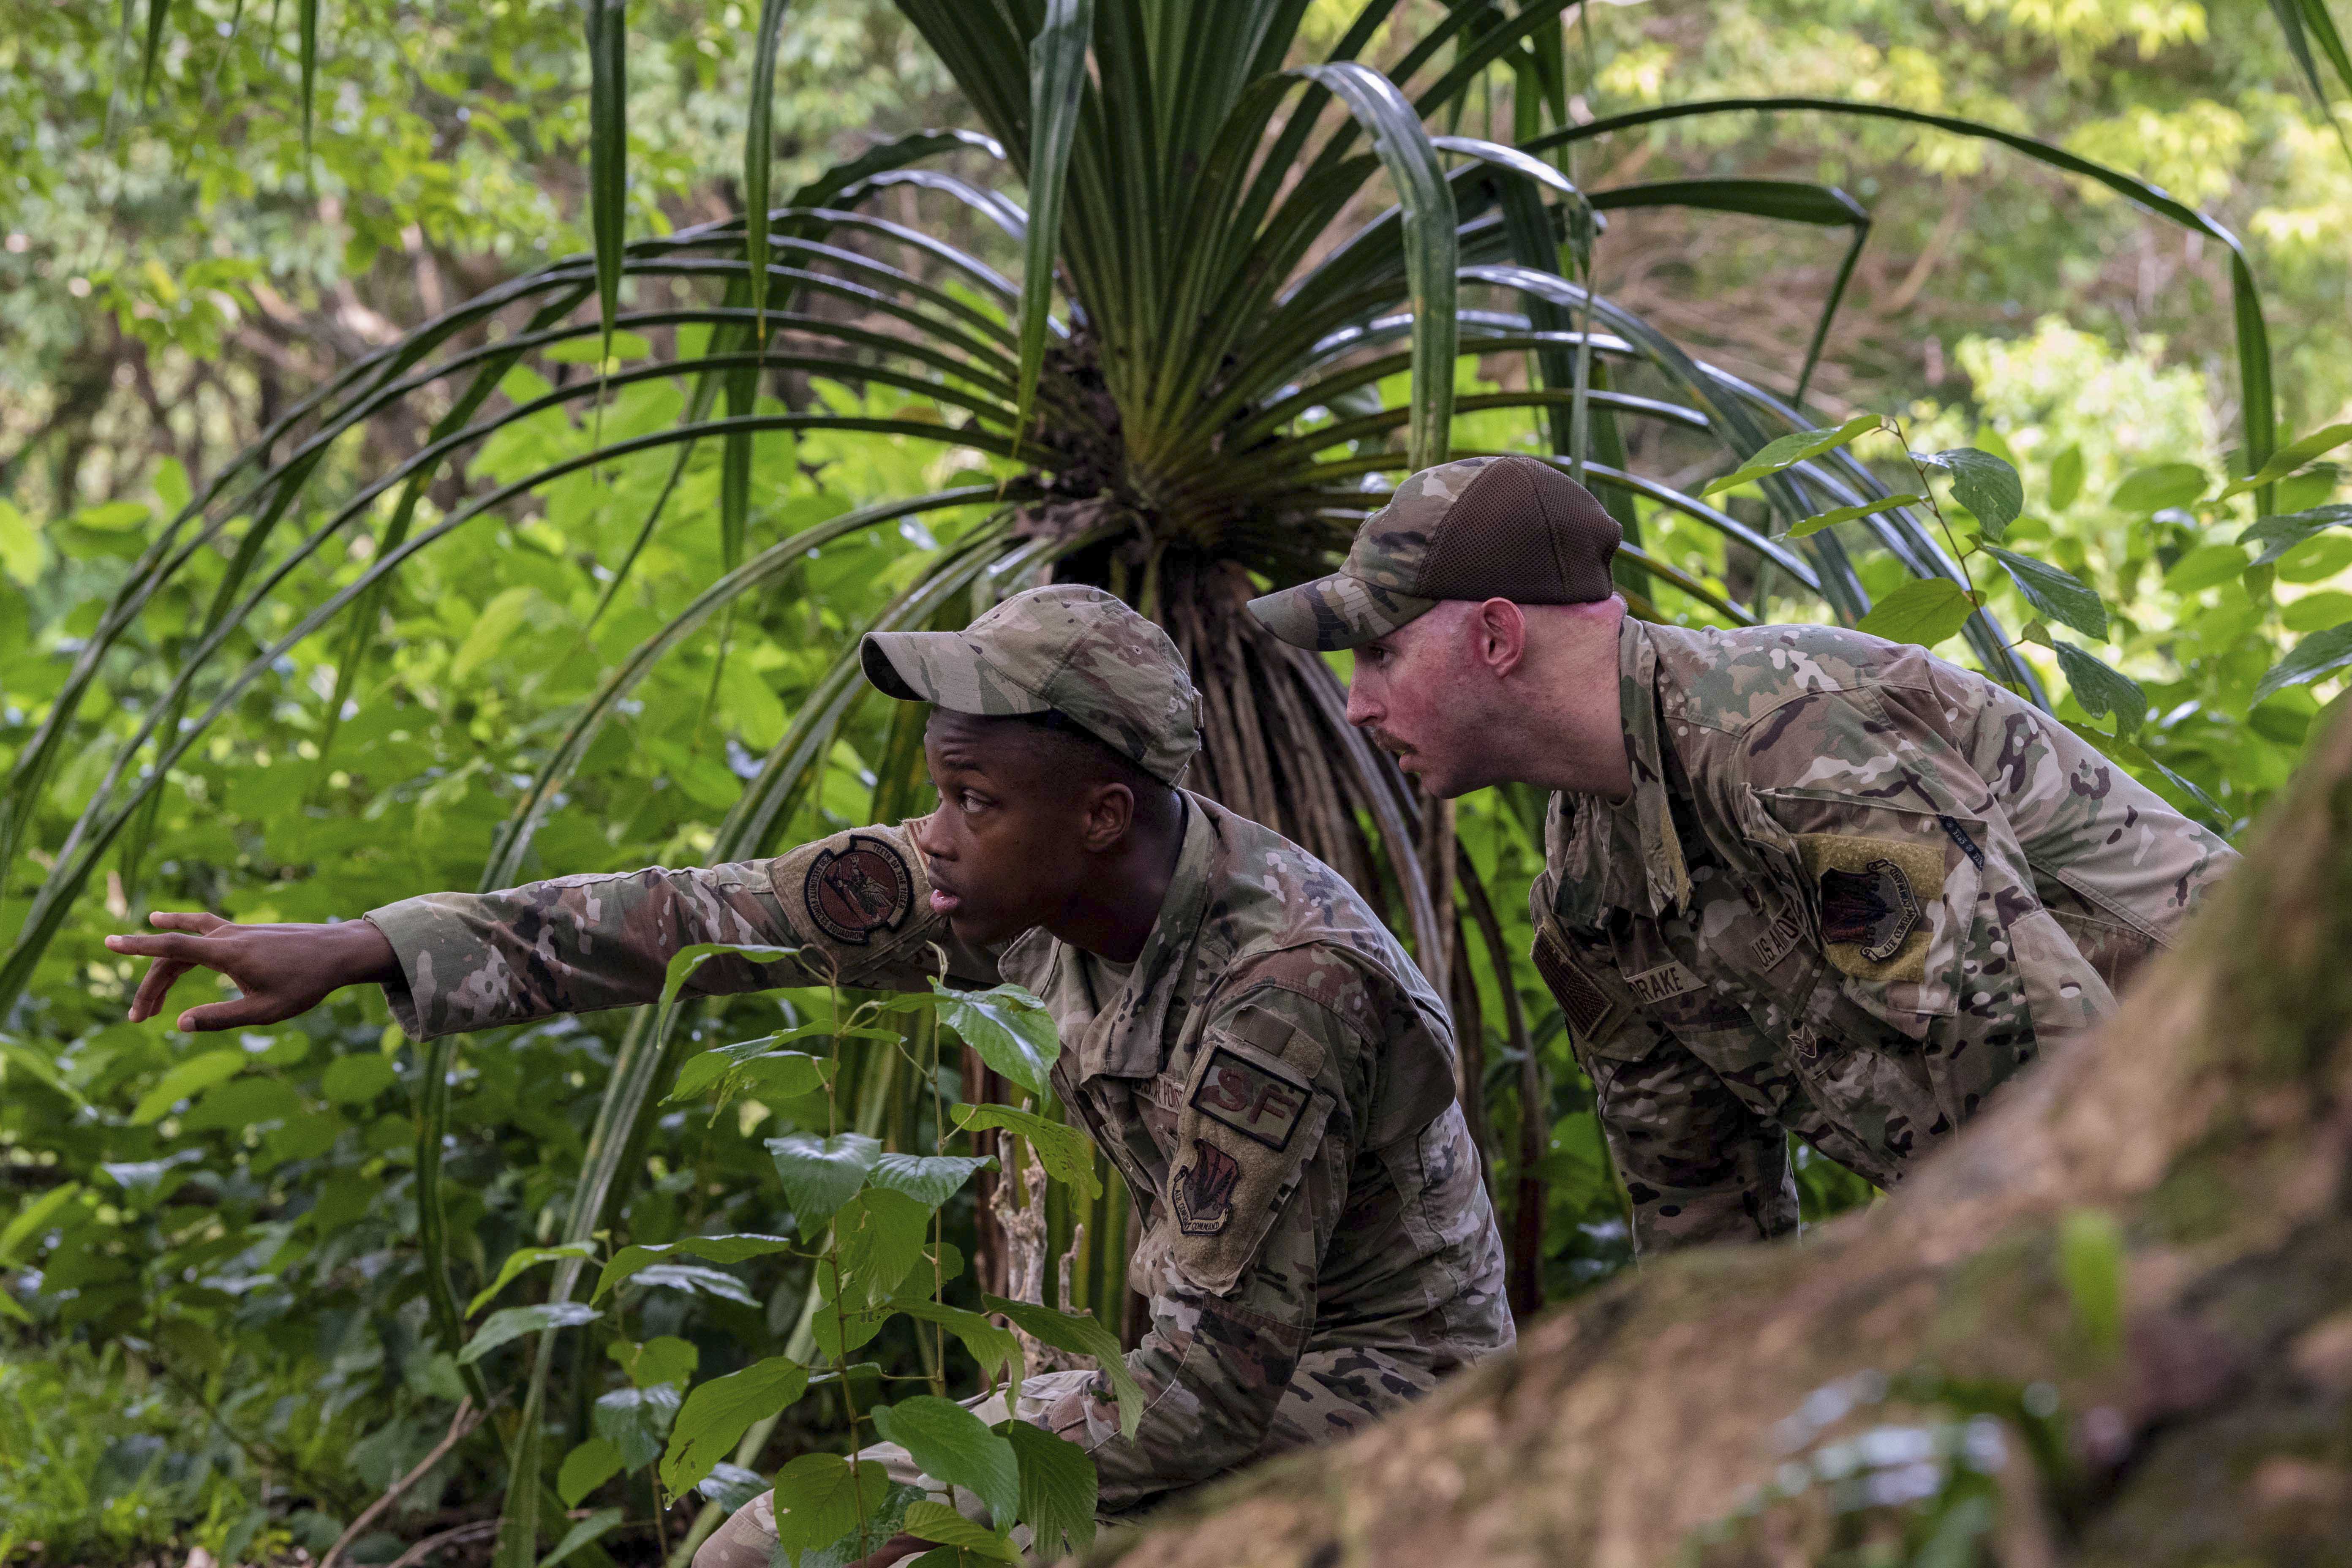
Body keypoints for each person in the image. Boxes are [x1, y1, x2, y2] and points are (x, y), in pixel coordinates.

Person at [106, 584, 1511, 1567]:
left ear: (1097, 816)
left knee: (802, 1541)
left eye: (973, 801)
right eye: (937, 791)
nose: (932, 836)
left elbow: (1206, 1393)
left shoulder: (1282, 989)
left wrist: (901, 1497)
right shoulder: (1012, 879)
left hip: (1389, 1398)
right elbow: (691, 917)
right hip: (1206, 1367)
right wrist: (364, 948)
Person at [1247, 453, 2238, 1255]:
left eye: (1379, 652)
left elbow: (2045, 1073)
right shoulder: (1591, 900)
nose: (1356, 703)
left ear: (1498, 636)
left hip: (2254, 1106)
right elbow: (1703, 1229)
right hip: (2125, 1198)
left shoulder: (1788, 744)